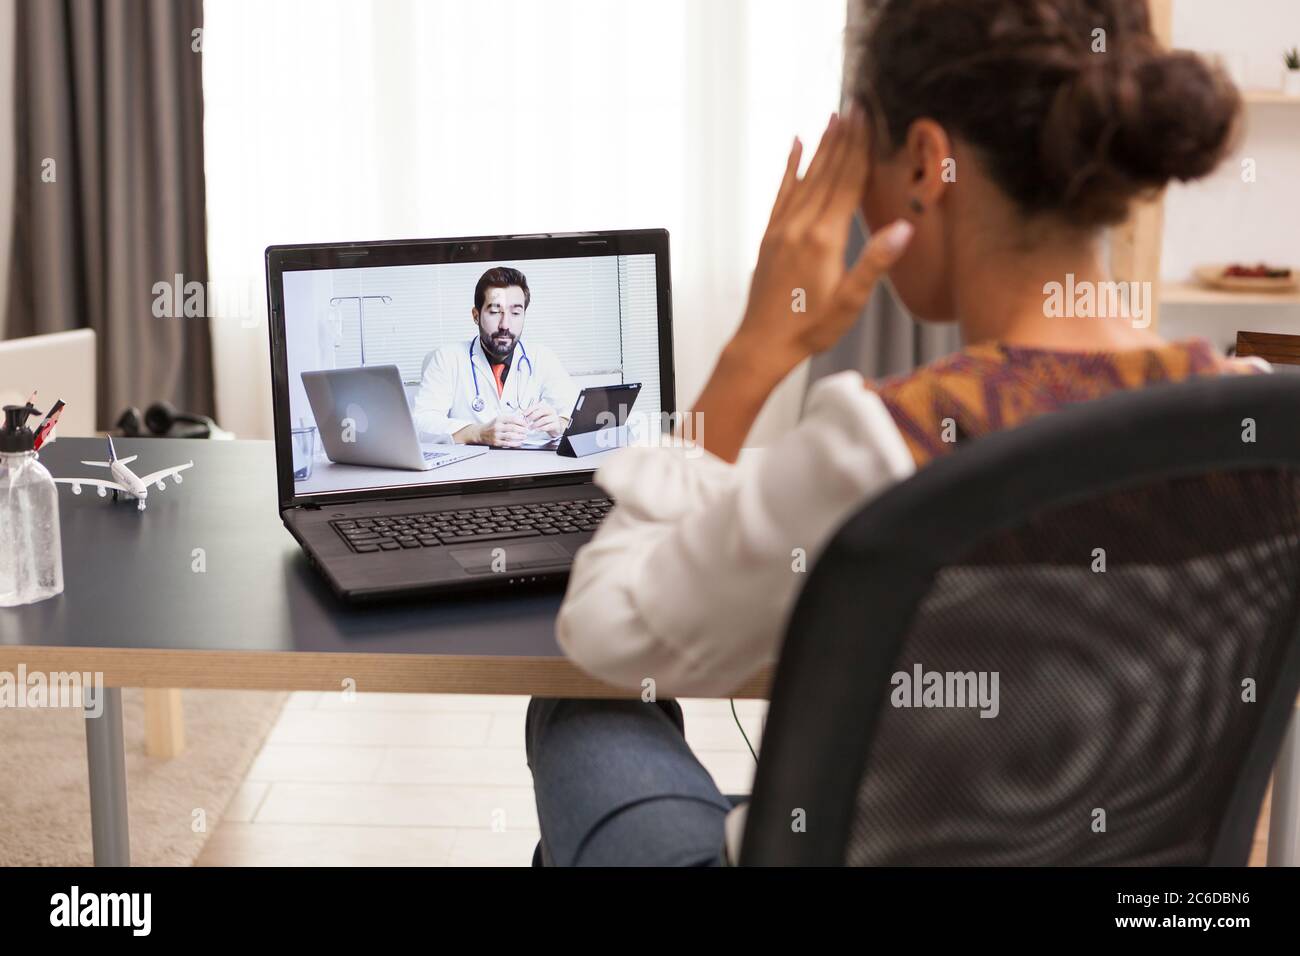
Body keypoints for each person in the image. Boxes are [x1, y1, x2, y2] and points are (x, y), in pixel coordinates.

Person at [525, 0, 1270, 866]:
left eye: (858, 165)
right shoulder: (1251, 425)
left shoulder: (886, 442)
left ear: (924, 164)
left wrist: (755, 351)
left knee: (579, 708)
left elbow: (607, 634)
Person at [412, 266, 578, 446]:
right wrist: (477, 433)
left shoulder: (542, 357)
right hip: (471, 470)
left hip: (531, 468)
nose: (505, 324)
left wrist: (559, 425)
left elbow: (578, 417)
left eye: (515, 313)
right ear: (476, 316)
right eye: (494, 312)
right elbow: (420, 424)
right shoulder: (447, 358)